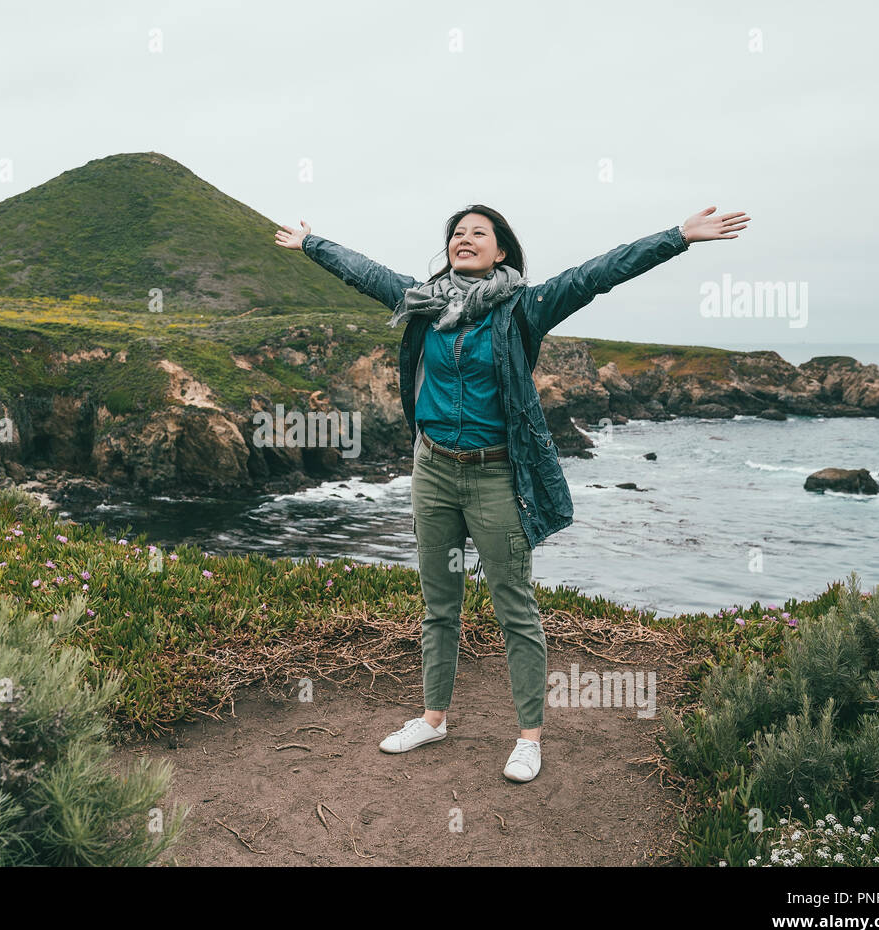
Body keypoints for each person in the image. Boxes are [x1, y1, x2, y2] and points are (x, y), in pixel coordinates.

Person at [274, 205, 748, 782]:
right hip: (432, 471)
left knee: (514, 608)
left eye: (478, 233)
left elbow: (597, 274)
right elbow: (363, 271)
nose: (464, 238)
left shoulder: (525, 307)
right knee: (439, 606)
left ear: (501, 251)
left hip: (496, 475)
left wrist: (677, 237)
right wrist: (312, 243)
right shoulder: (422, 301)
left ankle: (528, 738)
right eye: (457, 233)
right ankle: (433, 718)